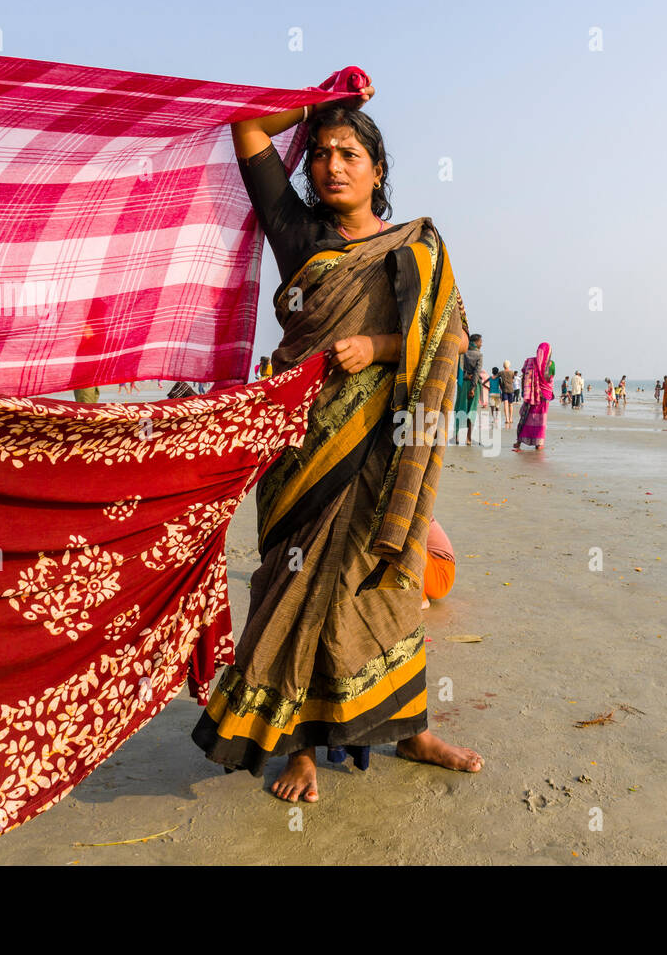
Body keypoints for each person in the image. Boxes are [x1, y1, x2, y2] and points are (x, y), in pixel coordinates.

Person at [191, 89, 482, 803]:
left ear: (378, 168)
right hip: (303, 450)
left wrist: (380, 345)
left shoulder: (418, 247)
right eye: (319, 154)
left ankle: (407, 727)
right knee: (292, 589)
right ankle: (301, 749)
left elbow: (454, 341)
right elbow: (248, 126)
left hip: (380, 451)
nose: (330, 165)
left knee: (385, 593)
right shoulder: (297, 233)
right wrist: (318, 101)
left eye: (348, 153)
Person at [514, 343, 555, 450]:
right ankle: (539, 443)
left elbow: (524, 376)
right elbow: (550, 379)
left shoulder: (530, 362)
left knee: (527, 417)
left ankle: (519, 441)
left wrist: (524, 391)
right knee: (541, 420)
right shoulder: (551, 364)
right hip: (545, 396)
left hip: (532, 395)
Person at [420, 518, 456, 610]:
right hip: (437, 571)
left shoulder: (413, 511)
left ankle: (421, 599)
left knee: (402, 541)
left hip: (441, 576)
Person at [454, 332, 482, 444]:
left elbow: (458, 370)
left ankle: (456, 436)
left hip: (462, 384)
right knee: (471, 411)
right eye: (480, 342)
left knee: (460, 408)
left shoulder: (462, 354)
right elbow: (477, 372)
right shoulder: (479, 355)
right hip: (473, 385)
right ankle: (468, 438)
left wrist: (466, 376)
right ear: (476, 343)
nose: (481, 344)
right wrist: (473, 388)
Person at [499, 360, 517, 426]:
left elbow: (496, 377)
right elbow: (512, 380)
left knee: (505, 405)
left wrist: (500, 385)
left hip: (504, 390)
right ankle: (510, 418)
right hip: (511, 390)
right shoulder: (512, 372)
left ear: (503, 365)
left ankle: (507, 419)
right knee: (511, 404)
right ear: (509, 365)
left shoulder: (501, 372)